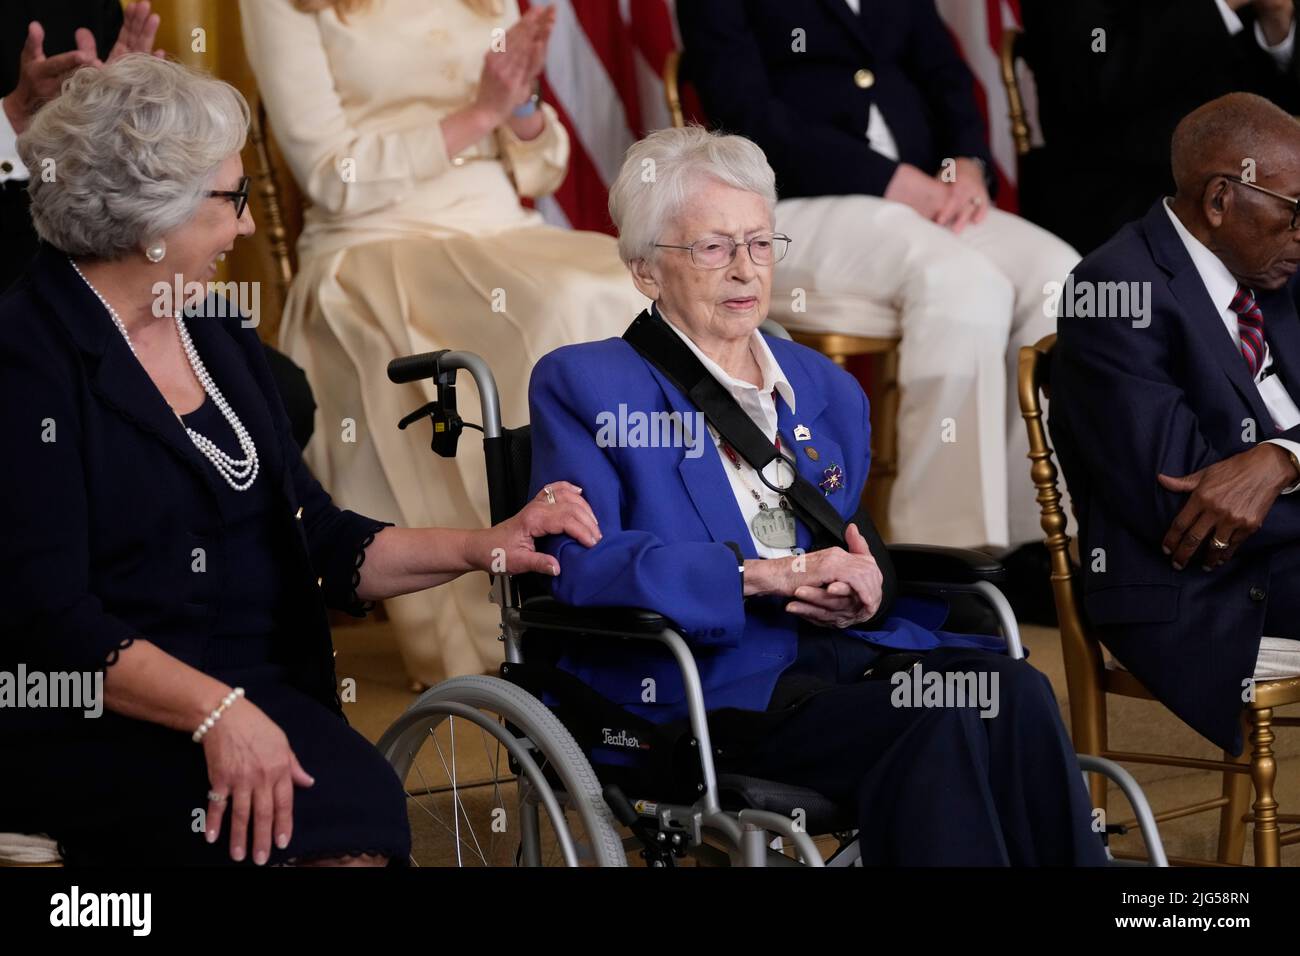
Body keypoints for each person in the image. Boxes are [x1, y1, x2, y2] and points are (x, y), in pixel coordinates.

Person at [0, 54, 599, 867]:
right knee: (311, 838)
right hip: (107, 716)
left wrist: (486, 541)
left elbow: (322, 541)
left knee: (359, 816)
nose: (247, 226)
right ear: (151, 217)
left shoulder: (217, 333)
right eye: (231, 199)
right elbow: (52, 622)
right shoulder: (27, 355)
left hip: (262, 691)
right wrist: (216, 715)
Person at [526, 126, 1106, 865]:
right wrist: (753, 576)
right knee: (936, 722)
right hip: (710, 685)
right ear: (646, 270)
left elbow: (855, 535)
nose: (745, 269)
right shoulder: (587, 384)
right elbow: (584, 566)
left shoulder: (822, 386)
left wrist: (867, 586)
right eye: (712, 247)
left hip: (841, 654)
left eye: (761, 244)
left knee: (1011, 689)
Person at [239, 0, 647, 688]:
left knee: (645, 285)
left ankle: (648, 577)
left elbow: (539, 168)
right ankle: (548, 605)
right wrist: (480, 113)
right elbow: (326, 174)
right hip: (375, 240)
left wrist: (518, 104)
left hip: (501, 224)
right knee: (565, 303)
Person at [676, 0, 1079, 582]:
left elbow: (945, 74)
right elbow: (746, 116)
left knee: (1057, 277)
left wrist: (964, 162)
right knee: (960, 285)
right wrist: (890, 182)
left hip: (926, 200)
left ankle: (1033, 544)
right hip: (791, 205)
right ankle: (949, 562)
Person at [1051, 93, 1300, 754]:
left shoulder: (1278, 268)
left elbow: (1256, 480)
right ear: (1220, 199)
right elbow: (1190, 511)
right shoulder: (1115, 293)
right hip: (1203, 585)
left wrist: (1281, 458)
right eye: (1294, 211)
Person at [1, 1, 320, 449]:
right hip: (38, 271)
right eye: (234, 200)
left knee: (282, 393)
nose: (247, 227)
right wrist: (13, 124)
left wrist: (109, 120)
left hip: (133, 258)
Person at [1021, 0, 1300, 256]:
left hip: (1257, 178)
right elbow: (1095, 78)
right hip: (1126, 186)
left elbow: (1278, 107)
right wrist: (1220, 6)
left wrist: (1277, 23)